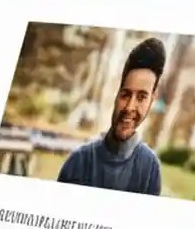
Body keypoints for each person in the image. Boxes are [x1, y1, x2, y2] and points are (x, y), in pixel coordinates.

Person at [56, 37, 165, 196]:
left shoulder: (150, 167)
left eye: (141, 97)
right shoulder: (79, 160)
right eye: (126, 95)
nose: (129, 107)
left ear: (151, 101)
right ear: (117, 95)